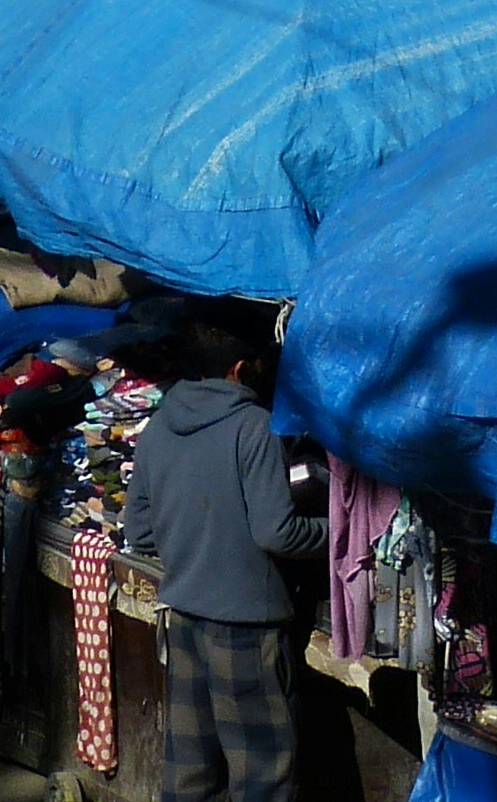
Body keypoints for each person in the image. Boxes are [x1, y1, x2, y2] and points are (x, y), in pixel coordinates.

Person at [120, 317, 326, 802]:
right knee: (263, 776)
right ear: (240, 369)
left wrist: (193, 541)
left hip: (184, 620)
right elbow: (277, 531)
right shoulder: (254, 426)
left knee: (190, 773)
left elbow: (139, 531)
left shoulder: (161, 421)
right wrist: (341, 535)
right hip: (246, 627)